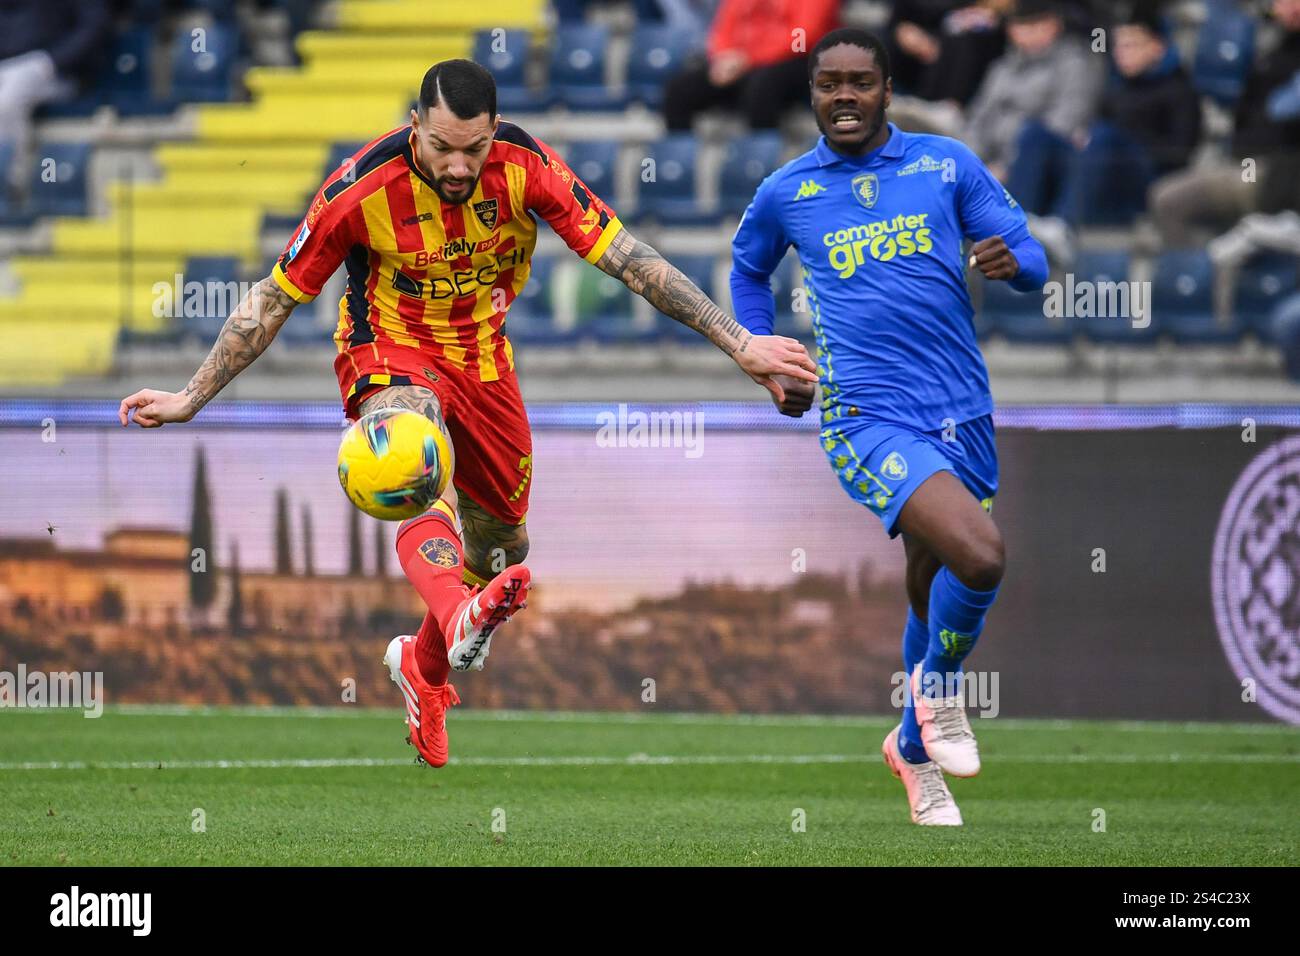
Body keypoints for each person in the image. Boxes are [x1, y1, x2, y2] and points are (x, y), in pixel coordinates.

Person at [118, 59, 817, 769]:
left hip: (485, 357)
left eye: (473, 149)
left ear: (493, 132)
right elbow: (272, 300)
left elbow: (630, 260)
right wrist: (190, 396)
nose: (458, 166)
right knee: (410, 455)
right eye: (442, 147)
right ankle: (458, 616)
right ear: (414, 125)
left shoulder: (526, 165)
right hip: (388, 346)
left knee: (501, 551)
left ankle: (426, 665)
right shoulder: (358, 189)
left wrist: (741, 344)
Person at [729, 28, 1048, 825]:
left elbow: (1034, 258)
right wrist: (763, 352)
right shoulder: (788, 191)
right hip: (865, 415)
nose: (844, 96)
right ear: (812, 93)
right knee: (980, 555)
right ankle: (939, 701)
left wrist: (1017, 266)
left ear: (886, 89)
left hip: (962, 413)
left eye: (860, 83)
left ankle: (908, 749)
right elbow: (746, 269)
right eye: (829, 83)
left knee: (931, 574)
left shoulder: (946, 164)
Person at [1006, 3, 1201, 226]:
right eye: (1119, 46)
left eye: (1132, 45)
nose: (1122, 54)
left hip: (1143, 176)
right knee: (1036, 134)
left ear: (1158, 47)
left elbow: (1180, 152)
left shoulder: (1180, 90)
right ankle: (1011, 225)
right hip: (1099, 163)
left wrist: (1120, 143)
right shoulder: (1115, 87)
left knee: (1102, 137)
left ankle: (1063, 227)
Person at [1150, 0, 1300, 245]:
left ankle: (1197, 276)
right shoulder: (1273, 47)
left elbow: (1281, 110)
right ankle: (1192, 277)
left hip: (1275, 173)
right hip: (1243, 162)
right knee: (1165, 198)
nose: (1285, 7)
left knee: (1170, 199)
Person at [962, 0, 1103, 182]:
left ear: (1055, 25)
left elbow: (1065, 122)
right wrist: (974, 164)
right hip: (989, 164)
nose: (1028, 32)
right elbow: (978, 117)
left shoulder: (1077, 63)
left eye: (1036, 24)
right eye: (1021, 25)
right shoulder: (1002, 67)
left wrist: (1008, 165)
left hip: (1037, 167)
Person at [662, 0, 841, 131]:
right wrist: (722, 57)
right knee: (680, 89)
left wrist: (749, 59)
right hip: (743, 64)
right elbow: (724, 27)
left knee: (762, 87)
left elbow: (802, 38)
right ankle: (676, 166)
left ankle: (760, 164)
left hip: (799, 62)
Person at [0, 0, 110, 188]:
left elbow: (95, 25)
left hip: (59, 71)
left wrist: (54, 61)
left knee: (7, 101)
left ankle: (10, 181)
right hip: (9, 66)